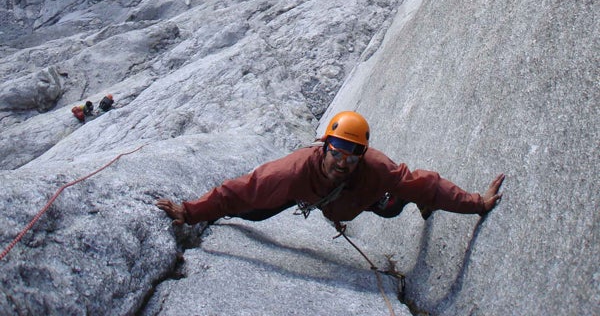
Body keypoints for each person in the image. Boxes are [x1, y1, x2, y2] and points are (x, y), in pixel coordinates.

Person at [156, 111, 504, 229]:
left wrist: (476, 204)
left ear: (362, 155)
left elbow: (428, 185)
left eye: (353, 156)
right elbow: (240, 189)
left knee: (393, 208)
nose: (343, 162)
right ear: (325, 147)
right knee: (253, 212)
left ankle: (409, 204)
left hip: (357, 201)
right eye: (338, 153)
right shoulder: (292, 171)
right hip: (307, 196)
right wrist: (190, 212)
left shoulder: (376, 169)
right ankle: (217, 216)